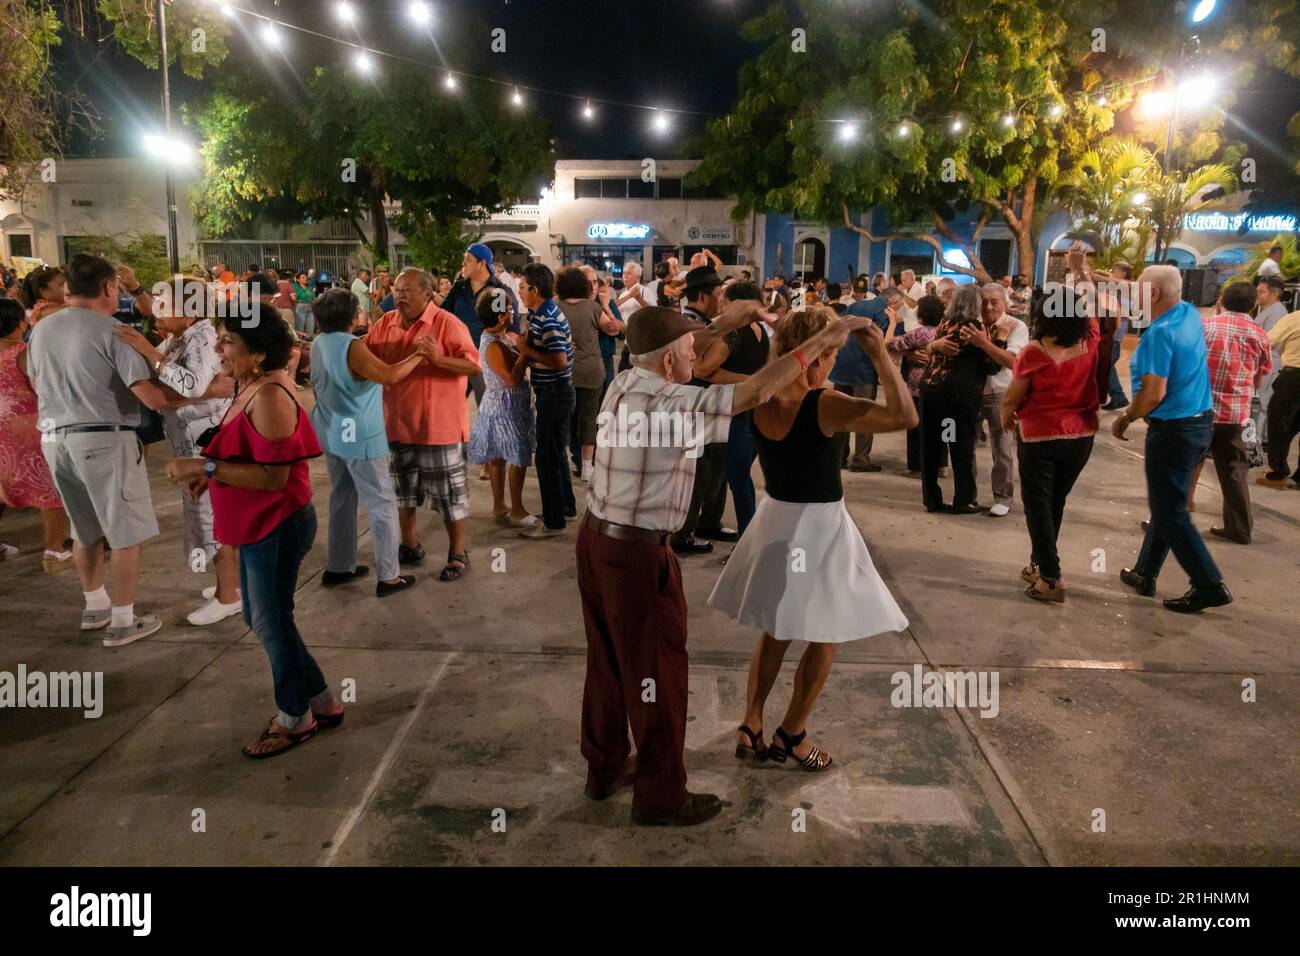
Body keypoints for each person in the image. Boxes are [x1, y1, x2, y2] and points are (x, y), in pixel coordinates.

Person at [578, 301, 870, 826]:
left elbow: (665, 346)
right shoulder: (674, 404)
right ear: (671, 363)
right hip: (637, 556)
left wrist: (722, 324)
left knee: (607, 664)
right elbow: (757, 391)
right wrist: (824, 341)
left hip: (597, 541)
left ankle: (603, 767)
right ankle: (661, 798)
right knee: (657, 673)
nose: (702, 354)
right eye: (692, 350)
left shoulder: (626, 380)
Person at [710, 306, 914, 769]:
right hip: (819, 527)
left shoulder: (762, 394)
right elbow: (905, 416)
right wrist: (881, 356)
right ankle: (793, 734)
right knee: (827, 633)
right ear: (819, 355)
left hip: (775, 519)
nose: (836, 363)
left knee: (777, 629)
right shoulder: (824, 402)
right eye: (834, 353)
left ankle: (751, 724)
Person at [166, 312, 344, 758]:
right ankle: (321, 701)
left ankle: (294, 718)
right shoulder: (249, 386)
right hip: (255, 524)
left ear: (260, 352)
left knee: (268, 620)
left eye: (227, 343)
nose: (217, 351)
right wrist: (214, 474)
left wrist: (203, 466)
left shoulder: (270, 397)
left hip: (276, 524)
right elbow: (242, 448)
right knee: (265, 618)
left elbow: (272, 480)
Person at [27, 253, 175, 646]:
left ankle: (95, 605)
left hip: (56, 441)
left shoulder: (40, 330)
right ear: (109, 288)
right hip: (103, 438)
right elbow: (152, 398)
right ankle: (123, 620)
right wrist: (204, 394)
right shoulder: (114, 331)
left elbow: (34, 380)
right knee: (125, 531)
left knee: (84, 527)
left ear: (67, 289)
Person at [112, 280, 242, 625]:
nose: (156, 309)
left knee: (211, 520)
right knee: (209, 518)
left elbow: (193, 385)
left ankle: (228, 596)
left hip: (205, 442)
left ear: (191, 311)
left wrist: (150, 352)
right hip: (193, 441)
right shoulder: (184, 336)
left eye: (165, 304)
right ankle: (231, 588)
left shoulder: (199, 338)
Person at [1113, 265, 1232, 614]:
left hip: (1173, 430)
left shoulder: (1160, 332)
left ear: (1151, 295)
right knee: (1166, 505)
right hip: (1199, 423)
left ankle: (1208, 582)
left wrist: (1126, 416)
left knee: (1170, 512)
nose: (1133, 294)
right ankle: (1144, 573)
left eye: (1137, 289)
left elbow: (1153, 392)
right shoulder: (1188, 313)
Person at [311, 287, 432, 598]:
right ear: (353, 316)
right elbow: (389, 376)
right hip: (360, 436)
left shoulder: (319, 343)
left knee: (342, 498)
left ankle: (340, 566)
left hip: (331, 430)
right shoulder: (351, 346)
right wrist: (419, 355)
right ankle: (389, 576)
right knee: (382, 504)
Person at [365, 268, 481, 580]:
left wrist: (437, 359)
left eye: (406, 291)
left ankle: (457, 553)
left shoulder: (446, 323)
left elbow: (472, 364)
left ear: (427, 294)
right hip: (396, 425)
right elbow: (367, 352)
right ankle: (410, 545)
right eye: (397, 290)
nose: (398, 295)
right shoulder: (386, 322)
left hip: (438, 429)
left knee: (449, 497)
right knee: (402, 492)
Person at [1001, 290, 1101, 602]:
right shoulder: (1091, 341)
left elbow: (1013, 397)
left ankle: (1051, 577)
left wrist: (1007, 417)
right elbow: (1095, 306)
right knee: (1054, 502)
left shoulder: (1033, 352)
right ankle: (1039, 563)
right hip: (1081, 437)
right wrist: (1081, 272)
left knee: (1038, 506)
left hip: (1040, 437)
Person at [0, 299, 71, 571]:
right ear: (20, 322)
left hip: (2, 429)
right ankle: (54, 550)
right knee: (51, 484)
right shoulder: (23, 352)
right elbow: (44, 388)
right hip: (32, 429)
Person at [1197, 281, 1271, 543]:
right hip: (1236, 414)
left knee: (1184, 466)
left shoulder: (1204, 327)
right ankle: (1239, 529)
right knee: (1234, 471)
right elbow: (1259, 380)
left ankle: (1167, 524)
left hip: (1200, 410)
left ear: (1222, 301)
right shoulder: (1259, 334)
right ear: (1253, 306)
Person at [919, 284, 999, 514]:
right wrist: (998, 342)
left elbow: (929, 349)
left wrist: (932, 347)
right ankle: (963, 499)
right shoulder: (972, 328)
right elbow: (991, 365)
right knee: (959, 446)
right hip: (954, 398)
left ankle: (932, 500)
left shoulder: (945, 323)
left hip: (931, 392)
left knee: (932, 447)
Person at [514, 263, 576, 538]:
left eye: (522, 288)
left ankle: (554, 522)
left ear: (534, 290)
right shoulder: (544, 313)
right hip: (558, 393)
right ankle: (565, 508)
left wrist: (525, 349)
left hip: (554, 394)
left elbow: (560, 361)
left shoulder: (546, 318)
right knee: (557, 455)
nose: (520, 293)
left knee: (546, 460)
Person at [467, 287, 538, 528]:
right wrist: (526, 354)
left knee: (498, 457)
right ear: (500, 317)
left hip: (501, 406)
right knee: (517, 457)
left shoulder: (500, 337)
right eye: (509, 308)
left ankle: (499, 506)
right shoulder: (494, 345)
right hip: (505, 409)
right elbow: (510, 378)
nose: (514, 312)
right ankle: (515, 508)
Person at [965, 283, 1029, 517]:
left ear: (1005, 303)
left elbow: (1012, 362)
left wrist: (983, 343)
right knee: (965, 447)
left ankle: (1003, 497)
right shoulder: (971, 324)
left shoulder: (1016, 327)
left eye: (994, 301)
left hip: (1001, 393)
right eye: (985, 301)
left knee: (1001, 448)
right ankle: (967, 496)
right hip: (971, 393)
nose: (989, 306)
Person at [828, 278, 897, 472]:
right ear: (893, 303)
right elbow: (883, 344)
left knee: (841, 415)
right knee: (864, 415)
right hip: (863, 371)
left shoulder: (856, 305)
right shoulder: (883, 313)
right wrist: (892, 323)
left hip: (841, 366)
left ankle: (839, 457)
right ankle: (860, 459)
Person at [555, 267, 616, 484]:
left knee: (566, 418)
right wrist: (607, 310)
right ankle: (588, 467)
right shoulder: (593, 307)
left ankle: (565, 462)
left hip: (564, 371)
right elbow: (613, 329)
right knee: (589, 418)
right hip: (591, 370)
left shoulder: (555, 307)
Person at [441, 243, 520, 408]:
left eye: (467, 260)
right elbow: (443, 315)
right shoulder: (459, 288)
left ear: (482, 263)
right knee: (449, 409)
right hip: (458, 358)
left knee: (488, 411)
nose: (463, 264)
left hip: (484, 361)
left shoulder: (498, 292)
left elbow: (507, 327)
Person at [888, 293, 946, 475]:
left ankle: (917, 465)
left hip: (918, 388)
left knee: (916, 426)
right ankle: (942, 464)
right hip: (942, 385)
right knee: (943, 425)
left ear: (921, 316)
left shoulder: (918, 334)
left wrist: (892, 323)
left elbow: (890, 344)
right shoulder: (947, 332)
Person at [1259, 304, 1300, 490]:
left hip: (1294, 378)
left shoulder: (1295, 319)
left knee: (1279, 423)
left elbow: (1267, 341)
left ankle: (1277, 472)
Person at [1253, 274, 1288, 448]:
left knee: (1262, 403)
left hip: (1269, 364)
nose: (1257, 294)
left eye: (1261, 291)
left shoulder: (1277, 312)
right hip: (1265, 363)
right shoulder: (1268, 310)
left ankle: (1257, 441)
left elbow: (1269, 341)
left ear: (1273, 295)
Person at [1099, 262, 1135, 410]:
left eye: (1115, 270)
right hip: (1115, 331)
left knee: (1107, 365)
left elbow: (1120, 313)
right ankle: (1117, 396)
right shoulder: (1120, 287)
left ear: (1124, 273)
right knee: (1108, 364)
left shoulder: (1124, 287)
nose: (1112, 271)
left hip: (1114, 331)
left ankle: (1118, 396)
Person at [292, 271, 316, 337]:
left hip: (310, 308)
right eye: (303, 277)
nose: (305, 278)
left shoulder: (309, 288)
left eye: (306, 277)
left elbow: (313, 299)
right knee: (300, 329)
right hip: (300, 308)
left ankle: (308, 342)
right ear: (297, 279)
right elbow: (295, 297)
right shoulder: (294, 286)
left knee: (310, 328)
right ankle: (299, 343)